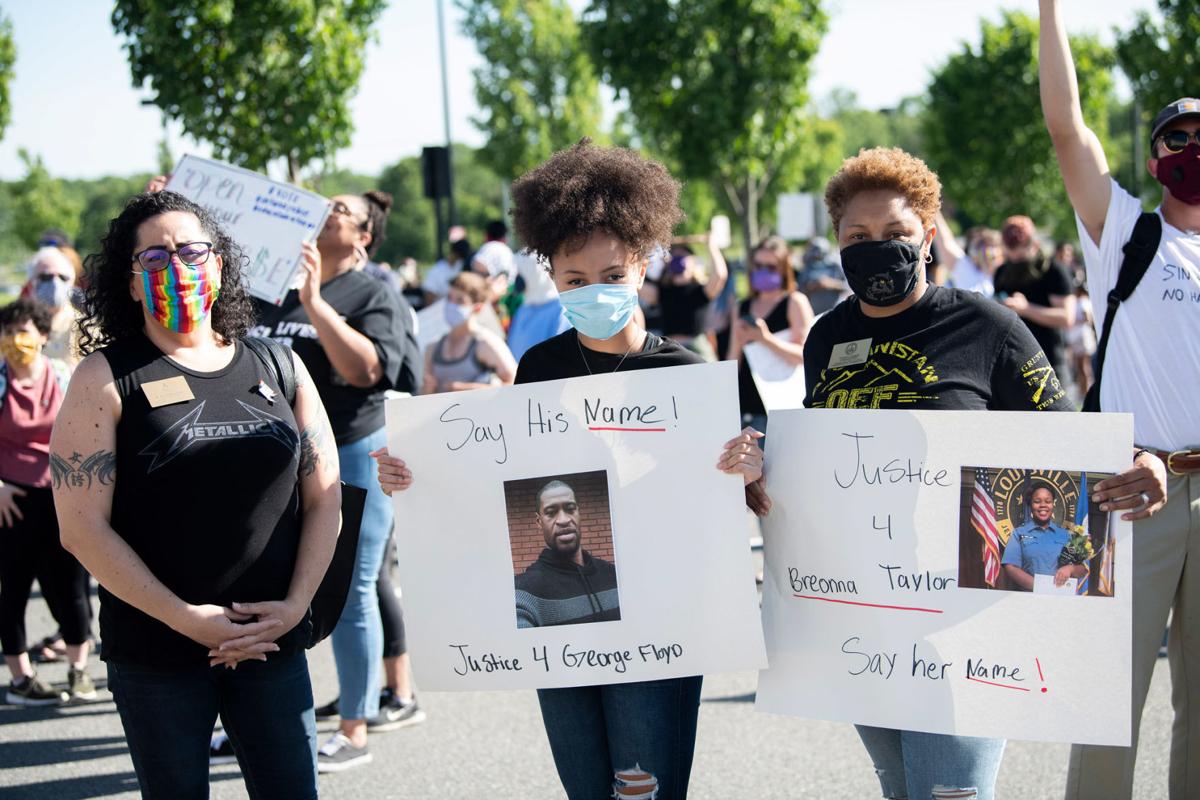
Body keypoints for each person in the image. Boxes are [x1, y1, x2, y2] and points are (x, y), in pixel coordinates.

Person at [372, 140, 768, 800]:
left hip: (659, 628)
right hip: (560, 629)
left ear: (642, 264)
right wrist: (419, 475)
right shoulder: (541, 368)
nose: (594, 291)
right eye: (575, 280)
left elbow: (732, 503)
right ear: (551, 275)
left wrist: (749, 471)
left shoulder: (686, 374)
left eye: (612, 274)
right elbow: (506, 484)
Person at [803, 146, 1083, 799]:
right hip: (863, 614)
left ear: (928, 236)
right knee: (903, 790)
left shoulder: (988, 325)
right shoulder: (825, 338)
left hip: (968, 620)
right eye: (858, 237)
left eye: (896, 234)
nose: (877, 248)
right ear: (837, 244)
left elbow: (1070, 447)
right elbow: (817, 466)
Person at [49, 191, 341, 799]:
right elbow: (81, 528)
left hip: (271, 643)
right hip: (157, 653)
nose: (175, 266)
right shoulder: (104, 377)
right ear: (129, 285)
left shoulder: (280, 365)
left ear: (218, 266)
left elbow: (325, 499)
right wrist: (188, 621)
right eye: (152, 258)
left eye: (190, 251)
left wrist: (293, 608)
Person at [1038, 2, 1188, 797]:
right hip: (1134, 490)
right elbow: (1068, 127)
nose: (1192, 149)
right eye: (1177, 138)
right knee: (1108, 697)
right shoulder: (1125, 231)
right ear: (1157, 155)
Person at [251, 189, 420, 772]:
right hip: (284, 456)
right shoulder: (272, 283)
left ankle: (356, 727)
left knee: (352, 585)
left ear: (364, 238)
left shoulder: (372, 292)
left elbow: (365, 369)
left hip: (353, 449)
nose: (328, 209)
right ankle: (352, 698)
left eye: (342, 211)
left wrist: (314, 302)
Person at [0, 299, 92, 705]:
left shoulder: (63, 376)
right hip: (10, 503)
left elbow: (89, 433)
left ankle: (79, 670)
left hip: (60, 498)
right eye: (7, 332)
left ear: (42, 335)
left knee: (71, 588)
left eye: (24, 330)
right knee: (12, 590)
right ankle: (21, 678)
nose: (16, 340)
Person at [727, 235, 814, 434]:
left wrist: (765, 339)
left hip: (784, 407)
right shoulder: (742, 306)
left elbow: (806, 356)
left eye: (771, 266)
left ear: (784, 269)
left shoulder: (794, 302)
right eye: (758, 265)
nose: (762, 271)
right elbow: (733, 360)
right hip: (747, 408)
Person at [515, 480, 620, 628]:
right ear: (539, 522)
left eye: (570, 509)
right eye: (551, 513)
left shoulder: (613, 575)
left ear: (579, 513)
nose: (563, 520)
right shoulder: (525, 592)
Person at [993, 215, 1076, 378]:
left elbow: (1067, 317)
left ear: (1035, 244)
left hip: (1048, 362)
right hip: (1012, 362)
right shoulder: (1002, 272)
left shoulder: (1053, 270)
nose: (1015, 260)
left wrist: (1026, 309)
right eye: (1011, 254)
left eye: (1021, 254)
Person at [423, 271, 517, 393]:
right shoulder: (433, 347)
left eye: (460, 300)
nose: (452, 305)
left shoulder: (486, 343)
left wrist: (471, 390)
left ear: (477, 307)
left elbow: (516, 383)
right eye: (449, 298)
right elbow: (423, 395)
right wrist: (426, 389)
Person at [640, 235, 728, 360]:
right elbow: (635, 284)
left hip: (697, 348)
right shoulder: (662, 291)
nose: (678, 258)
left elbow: (720, 276)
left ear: (693, 262)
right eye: (674, 255)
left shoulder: (701, 291)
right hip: (670, 348)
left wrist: (711, 245)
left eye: (683, 255)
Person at [1000, 485, 1085, 590]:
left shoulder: (1066, 535)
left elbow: (1083, 569)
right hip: (1028, 599)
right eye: (1037, 501)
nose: (1043, 505)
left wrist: (1070, 568)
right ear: (1030, 505)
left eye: (1048, 501)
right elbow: (1011, 567)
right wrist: (1040, 587)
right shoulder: (1018, 533)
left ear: (1053, 504)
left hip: (1059, 599)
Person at [23, 247, 82, 366]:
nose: (55, 283)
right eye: (46, 277)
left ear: (72, 283)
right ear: (31, 284)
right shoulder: (13, 327)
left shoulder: (85, 327)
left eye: (63, 278)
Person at [934, 213, 1001, 296]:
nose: (990, 254)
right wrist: (934, 209)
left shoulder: (998, 275)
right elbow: (946, 241)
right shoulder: (964, 265)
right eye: (984, 248)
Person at [797, 237, 848, 315]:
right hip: (813, 314)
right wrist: (813, 286)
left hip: (835, 312)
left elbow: (847, 287)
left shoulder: (834, 265)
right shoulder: (808, 267)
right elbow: (799, 292)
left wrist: (830, 283)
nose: (818, 255)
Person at [422, 237, 472, 306]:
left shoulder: (463, 265)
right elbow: (429, 298)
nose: (459, 260)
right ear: (454, 253)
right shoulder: (436, 271)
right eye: (458, 256)